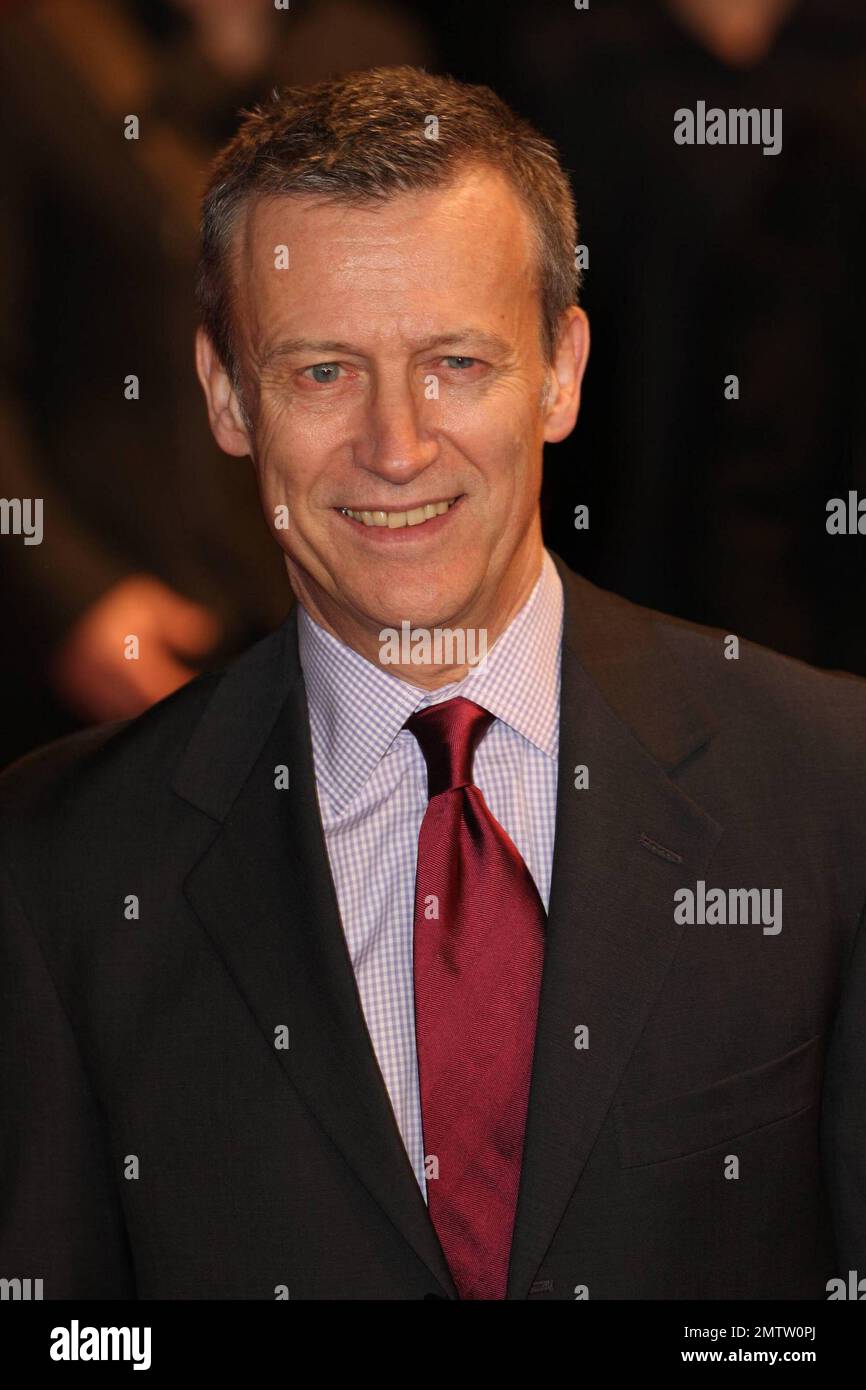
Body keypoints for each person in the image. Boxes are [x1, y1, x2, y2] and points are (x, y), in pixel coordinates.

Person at [1, 66, 864, 1301]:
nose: (397, 446)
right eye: (320, 373)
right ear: (225, 395)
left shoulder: (831, 794)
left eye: (456, 362)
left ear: (560, 370)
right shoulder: (58, 874)